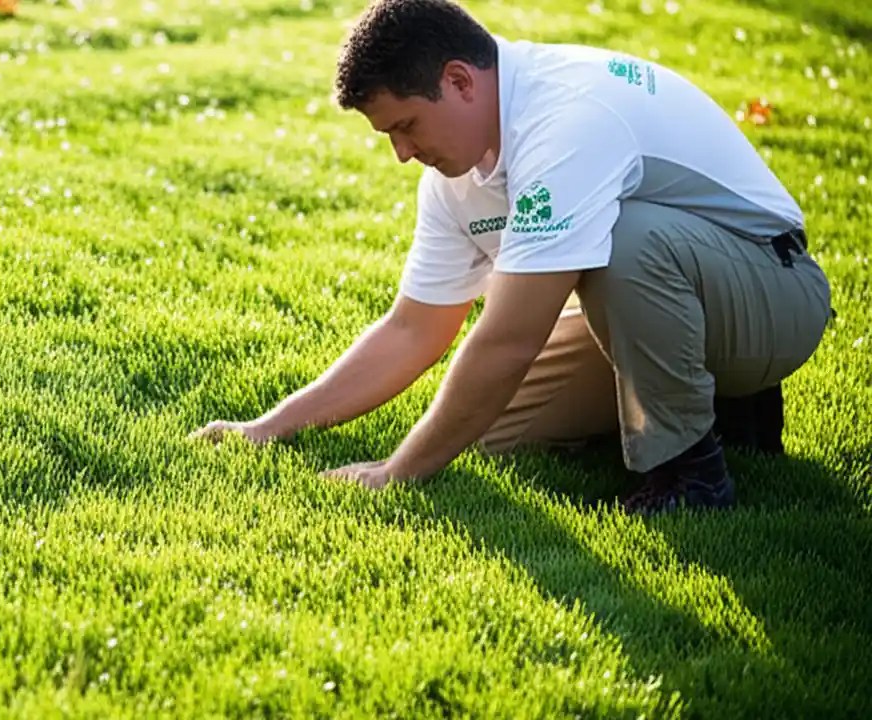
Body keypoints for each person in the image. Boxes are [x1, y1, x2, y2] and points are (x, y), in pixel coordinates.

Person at [189, 0, 832, 513]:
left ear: (460, 80)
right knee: (496, 431)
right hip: (682, 297)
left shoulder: (566, 121)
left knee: (628, 242)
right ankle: (713, 403)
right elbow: (414, 328)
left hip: (773, 297)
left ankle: (691, 474)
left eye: (405, 126)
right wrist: (268, 427)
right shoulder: (453, 176)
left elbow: (508, 341)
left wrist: (398, 472)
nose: (402, 153)